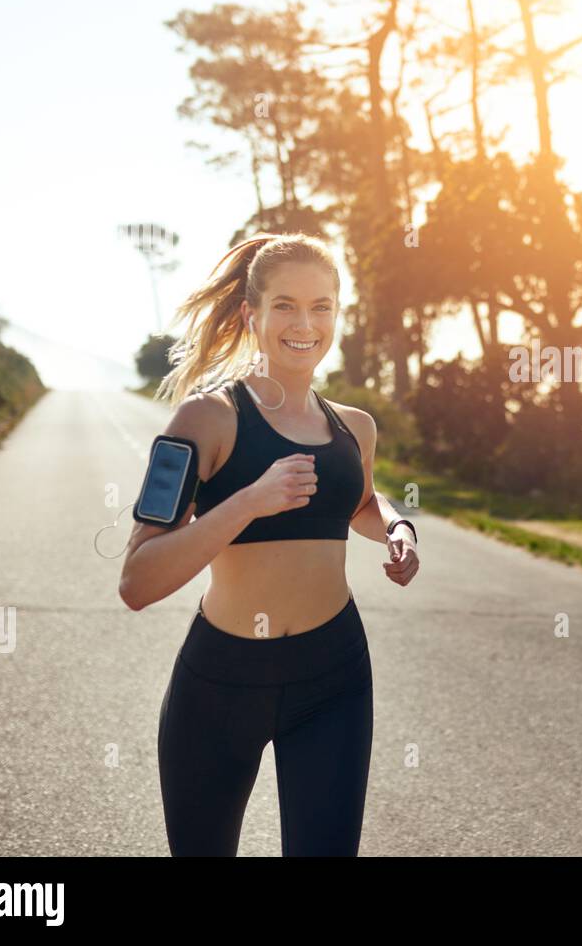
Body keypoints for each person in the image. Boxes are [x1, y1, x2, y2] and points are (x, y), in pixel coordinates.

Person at [117, 233, 420, 856]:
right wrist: (249, 501)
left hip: (333, 677)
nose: (304, 324)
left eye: (321, 306)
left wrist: (396, 526)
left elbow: (360, 501)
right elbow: (137, 581)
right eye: (284, 305)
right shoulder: (202, 421)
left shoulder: (353, 428)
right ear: (252, 315)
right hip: (220, 683)